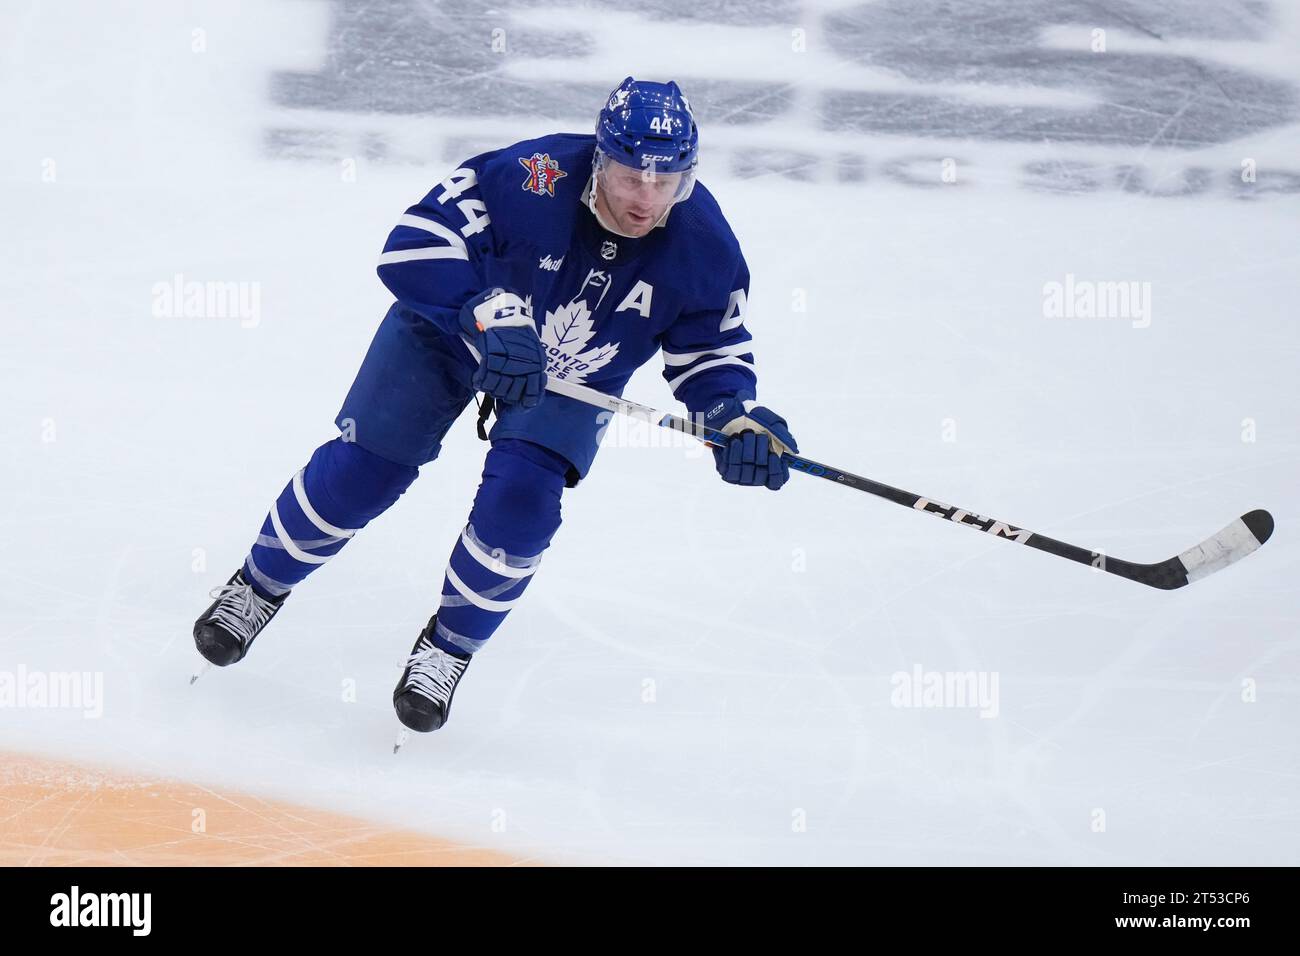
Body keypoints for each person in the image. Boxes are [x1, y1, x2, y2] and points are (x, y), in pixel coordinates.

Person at [192, 76, 799, 736]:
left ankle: (446, 651)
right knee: (366, 470)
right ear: (600, 157)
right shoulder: (527, 177)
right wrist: (482, 307)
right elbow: (414, 242)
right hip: (451, 332)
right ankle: (257, 586)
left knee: (522, 505)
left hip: (572, 372)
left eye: (667, 181)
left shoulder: (705, 245)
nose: (646, 199)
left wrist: (733, 413)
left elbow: (710, 350)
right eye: (631, 177)